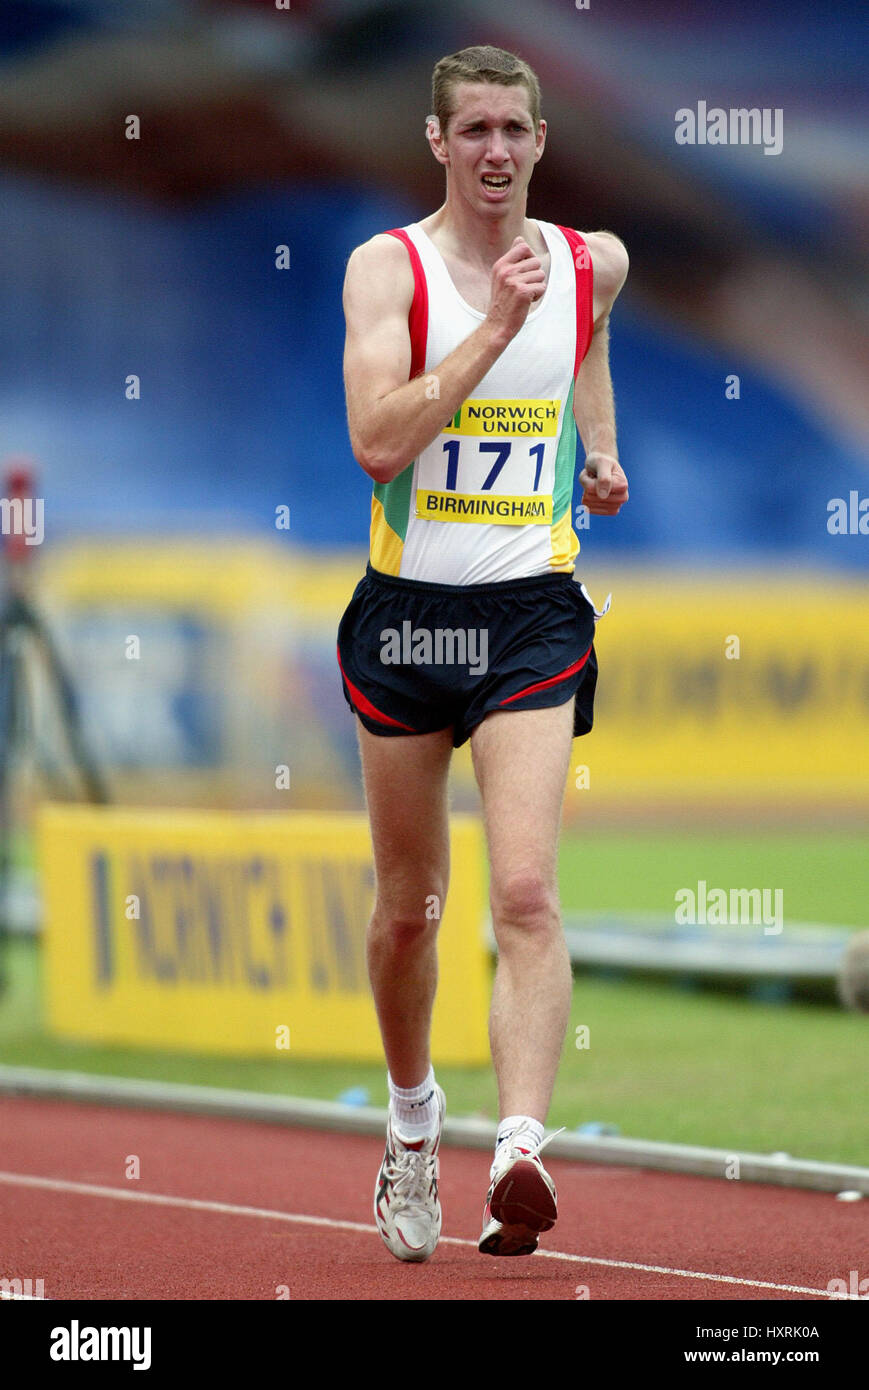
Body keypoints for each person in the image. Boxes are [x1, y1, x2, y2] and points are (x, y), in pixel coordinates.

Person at [337, 44, 629, 1261]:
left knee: (523, 893)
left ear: (541, 141)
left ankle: (519, 1147)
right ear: (437, 142)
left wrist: (598, 449)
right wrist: (492, 328)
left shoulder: (589, 261)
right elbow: (375, 442)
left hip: (531, 614)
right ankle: (413, 1123)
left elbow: (586, 338)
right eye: (473, 131)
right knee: (410, 911)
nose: (495, 150)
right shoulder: (387, 269)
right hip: (409, 618)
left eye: (514, 129)